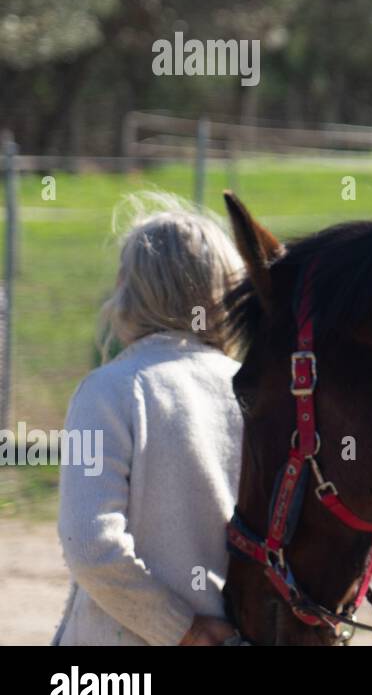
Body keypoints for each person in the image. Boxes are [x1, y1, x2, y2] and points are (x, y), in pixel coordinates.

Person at [53, 193, 246, 646]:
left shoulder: (104, 392)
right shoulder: (253, 392)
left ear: (129, 290)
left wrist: (184, 631)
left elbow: (89, 545)